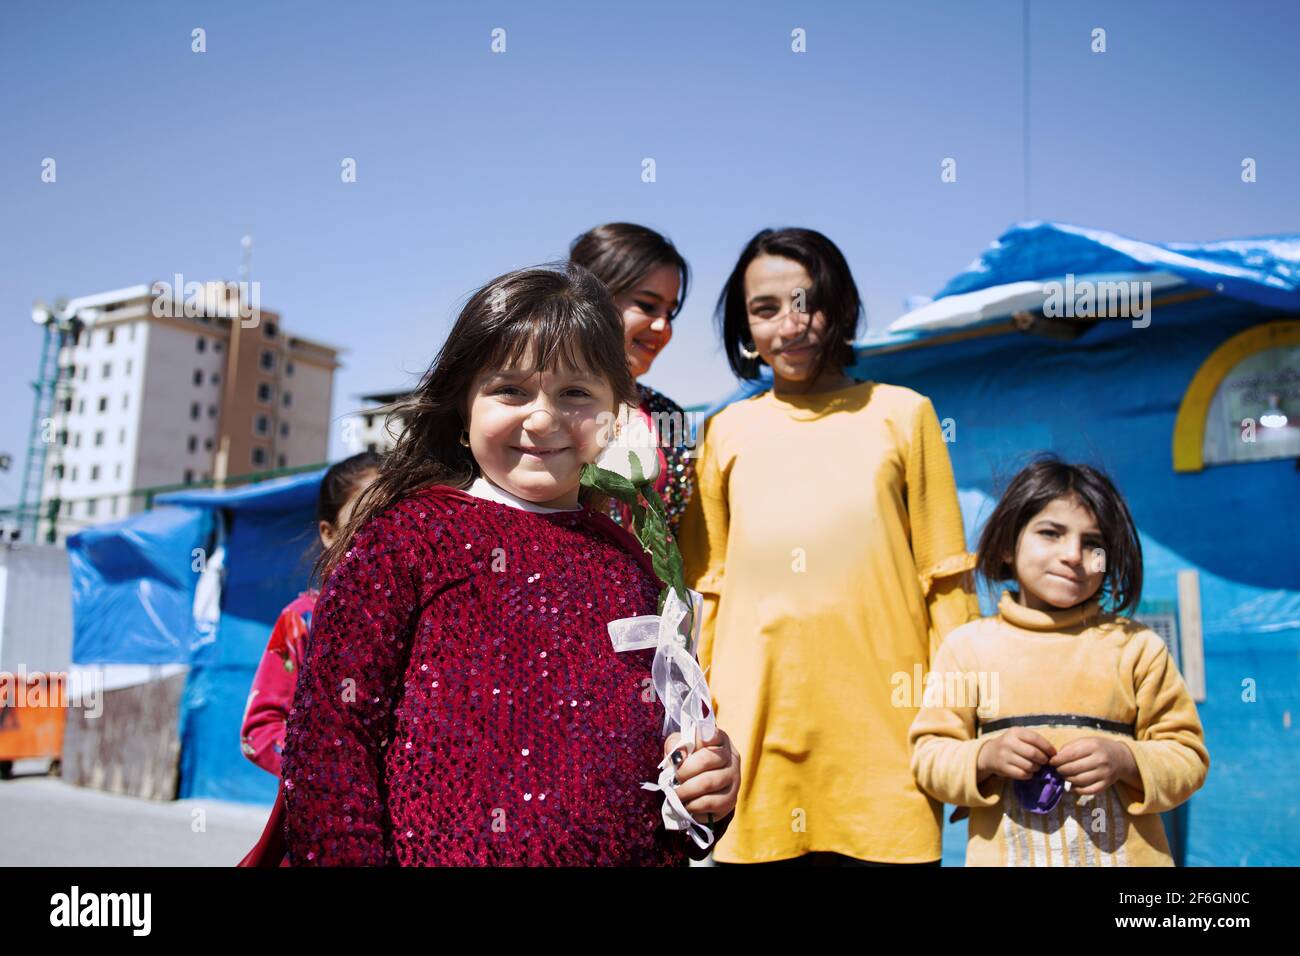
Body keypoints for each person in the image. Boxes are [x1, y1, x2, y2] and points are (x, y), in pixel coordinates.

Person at [280, 262, 740, 865]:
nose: (543, 418)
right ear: (462, 407)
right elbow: (330, 743)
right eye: (510, 390)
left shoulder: (637, 566)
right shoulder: (408, 538)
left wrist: (703, 787)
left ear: (618, 412)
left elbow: (672, 764)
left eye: (576, 392)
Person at [678, 227, 979, 865]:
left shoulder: (904, 415)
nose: (792, 324)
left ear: (839, 306)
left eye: (808, 301)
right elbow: (706, 590)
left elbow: (946, 583)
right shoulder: (725, 433)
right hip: (751, 742)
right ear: (744, 326)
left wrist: (960, 726)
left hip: (885, 746)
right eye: (765, 309)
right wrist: (693, 726)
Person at [909, 455, 1209, 866]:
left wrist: (1127, 760)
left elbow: (1187, 756)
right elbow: (929, 757)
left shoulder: (1136, 647)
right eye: (1050, 533)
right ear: (1008, 546)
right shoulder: (969, 649)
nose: (1073, 555)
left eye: (1093, 544)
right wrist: (984, 756)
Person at [236, 452, 382, 867]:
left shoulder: (426, 621)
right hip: (323, 830)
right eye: (364, 519)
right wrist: (330, 770)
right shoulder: (301, 620)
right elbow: (259, 729)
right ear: (328, 532)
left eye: (393, 519)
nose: (380, 535)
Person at [570, 223, 696, 536]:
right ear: (590, 299)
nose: (661, 327)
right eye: (648, 305)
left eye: (670, 312)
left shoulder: (671, 416)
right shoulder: (530, 406)